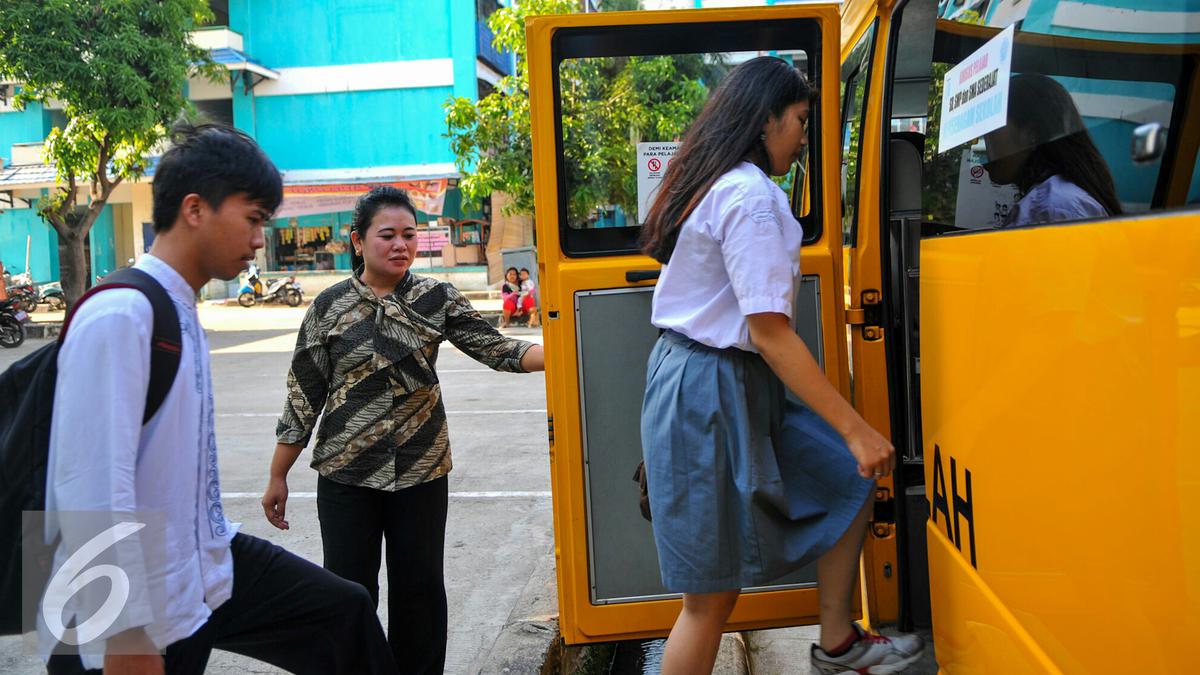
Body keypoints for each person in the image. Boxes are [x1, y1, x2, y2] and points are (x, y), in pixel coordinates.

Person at [42, 123, 396, 675]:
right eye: (253, 219)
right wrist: (125, 638)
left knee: (344, 614)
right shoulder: (121, 314)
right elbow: (86, 487)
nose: (260, 239)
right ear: (194, 209)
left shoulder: (179, 308)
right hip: (118, 616)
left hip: (195, 568)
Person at [636, 57, 924, 675]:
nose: (802, 135)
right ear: (766, 119)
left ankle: (839, 643)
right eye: (798, 119)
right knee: (710, 598)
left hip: (723, 382)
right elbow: (770, 334)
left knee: (849, 478)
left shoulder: (724, 185)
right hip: (712, 384)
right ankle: (841, 640)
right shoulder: (750, 197)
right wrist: (855, 425)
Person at [262, 186, 545, 674]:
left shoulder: (436, 297)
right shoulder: (328, 307)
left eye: (409, 235)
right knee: (349, 592)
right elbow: (303, 397)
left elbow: (496, 349)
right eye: (387, 235)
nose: (401, 245)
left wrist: (569, 347)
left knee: (420, 592)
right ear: (357, 240)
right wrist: (277, 475)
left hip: (422, 468)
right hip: (347, 474)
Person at [983, 73, 1122, 228]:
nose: (985, 137)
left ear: (1031, 135)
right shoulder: (1053, 204)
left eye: (993, 126)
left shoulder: (1055, 208)